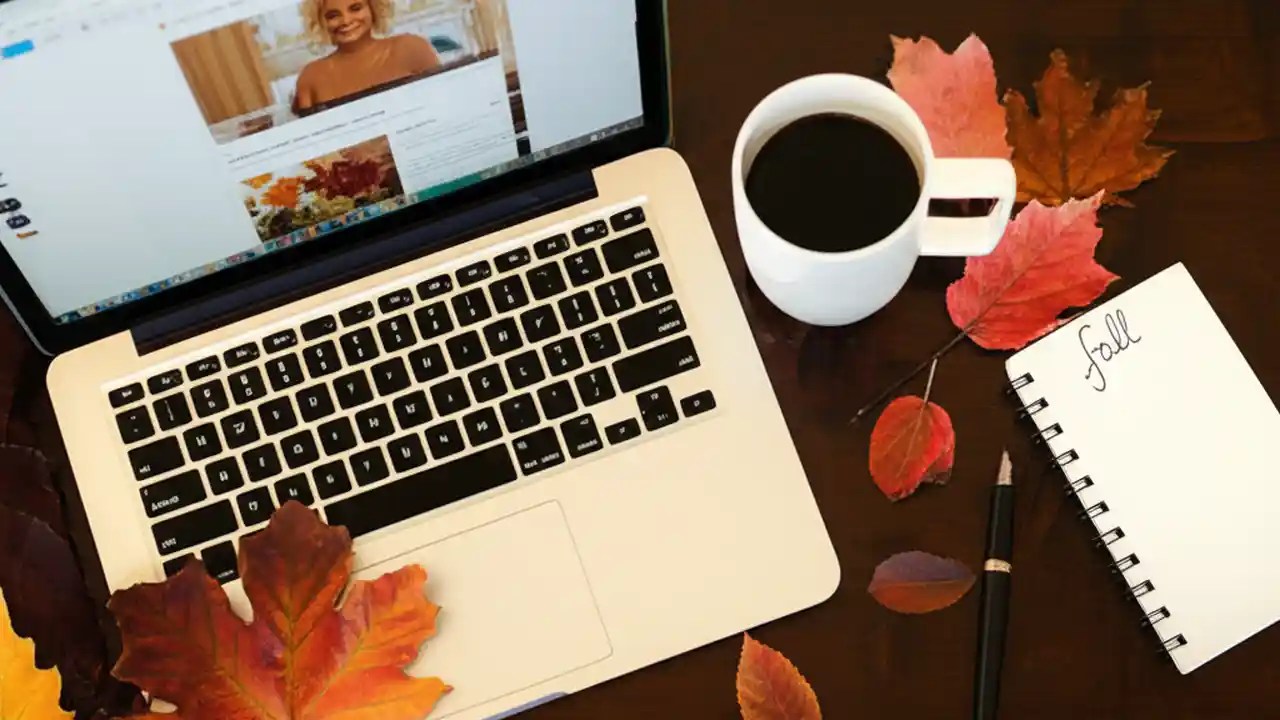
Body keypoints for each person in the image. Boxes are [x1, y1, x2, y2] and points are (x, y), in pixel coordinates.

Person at [294, 0, 441, 114]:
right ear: (320, 22)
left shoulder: (412, 48)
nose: (345, 21)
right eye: (333, 15)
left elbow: (445, 103)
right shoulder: (310, 77)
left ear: (373, 7)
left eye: (355, 8)